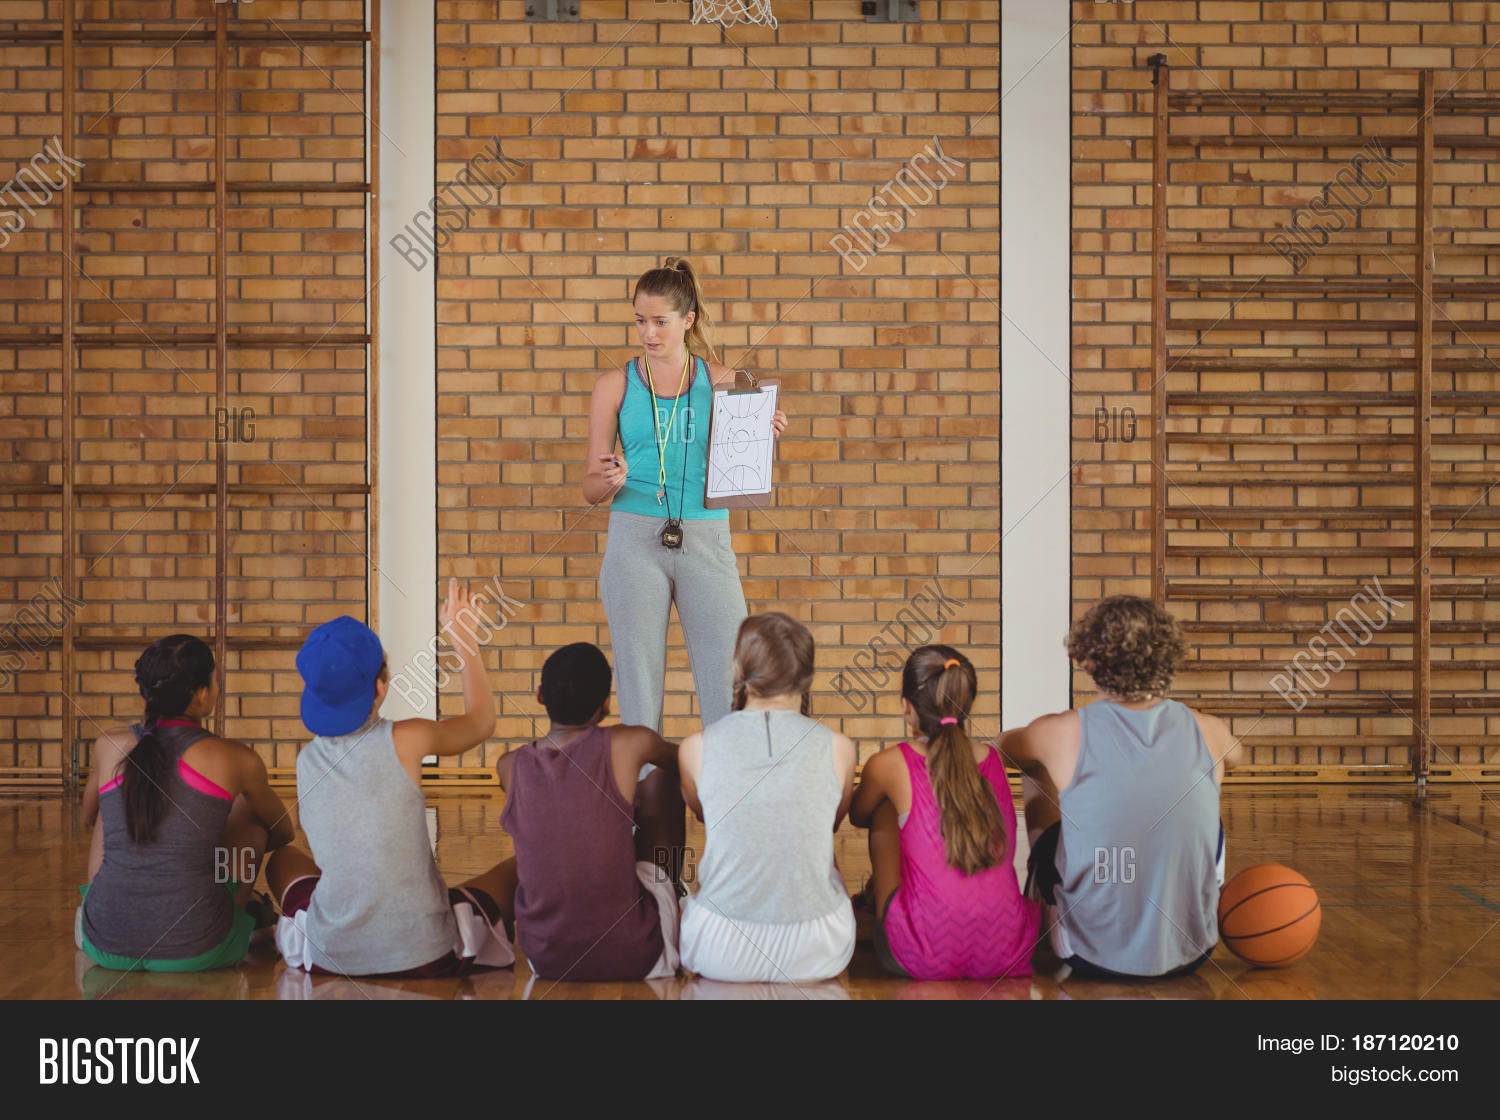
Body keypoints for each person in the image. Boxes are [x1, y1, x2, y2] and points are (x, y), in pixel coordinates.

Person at [266, 580, 516, 978]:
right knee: (514, 870)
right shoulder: (408, 738)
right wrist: (464, 639)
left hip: (332, 957)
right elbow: (481, 722)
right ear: (381, 688)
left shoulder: (305, 760)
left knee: (283, 859)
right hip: (426, 955)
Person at [583, 257, 787, 741]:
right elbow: (590, 489)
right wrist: (609, 479)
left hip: (704, 534)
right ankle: (642, 789)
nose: (648, 333)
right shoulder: (614, 385)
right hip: (633, 538)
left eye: (660, 322)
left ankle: (727, 781)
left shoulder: (723, 381)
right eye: (640, 321)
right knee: (638, 683)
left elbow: (741, 472)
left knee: (728, 675)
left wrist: (764, 434)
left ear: (687, 320)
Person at [997, 595, 1242, 980]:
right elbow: (1237, 756)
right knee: (1205, 798)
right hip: (1194, 951)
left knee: (1036, 770)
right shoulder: (1210, 729)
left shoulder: (1058, 732)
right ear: (1167, 657)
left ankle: (1041, 901)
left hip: (1086, 953)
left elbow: (998, 750)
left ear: (1090, 660)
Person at [77, 634, 293, 971]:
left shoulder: (109, 744)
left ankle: (112, 912)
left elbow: (87, 817)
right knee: (249, 815)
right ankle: (243, 909)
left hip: (102, 943)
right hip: (199, 948)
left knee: (113, 807)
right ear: (202, 693)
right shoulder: (235, 757)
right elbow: (282, 831)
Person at [677, 612, 858, 983]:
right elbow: (830, 822)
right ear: (807, 677)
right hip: (818, 952)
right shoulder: (840, 748)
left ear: (739, 670)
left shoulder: (695, 747)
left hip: (719, 950)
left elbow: (704, 814)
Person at [849, 646, 1039, 979]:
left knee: (884, 808)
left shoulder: (889, 763)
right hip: (1004, 949)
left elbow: (858, 815)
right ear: (966, 702)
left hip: (923, 953)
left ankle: (877, 904)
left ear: (906, 707)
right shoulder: (992, 759)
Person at [497, 642, 683, 981]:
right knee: (661, 783)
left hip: (546, 960)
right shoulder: (631, 742)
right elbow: (684, 760)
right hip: (638, 954)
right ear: (606, 705)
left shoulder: (509, 766)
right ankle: (672, 894)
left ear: (540, 696)